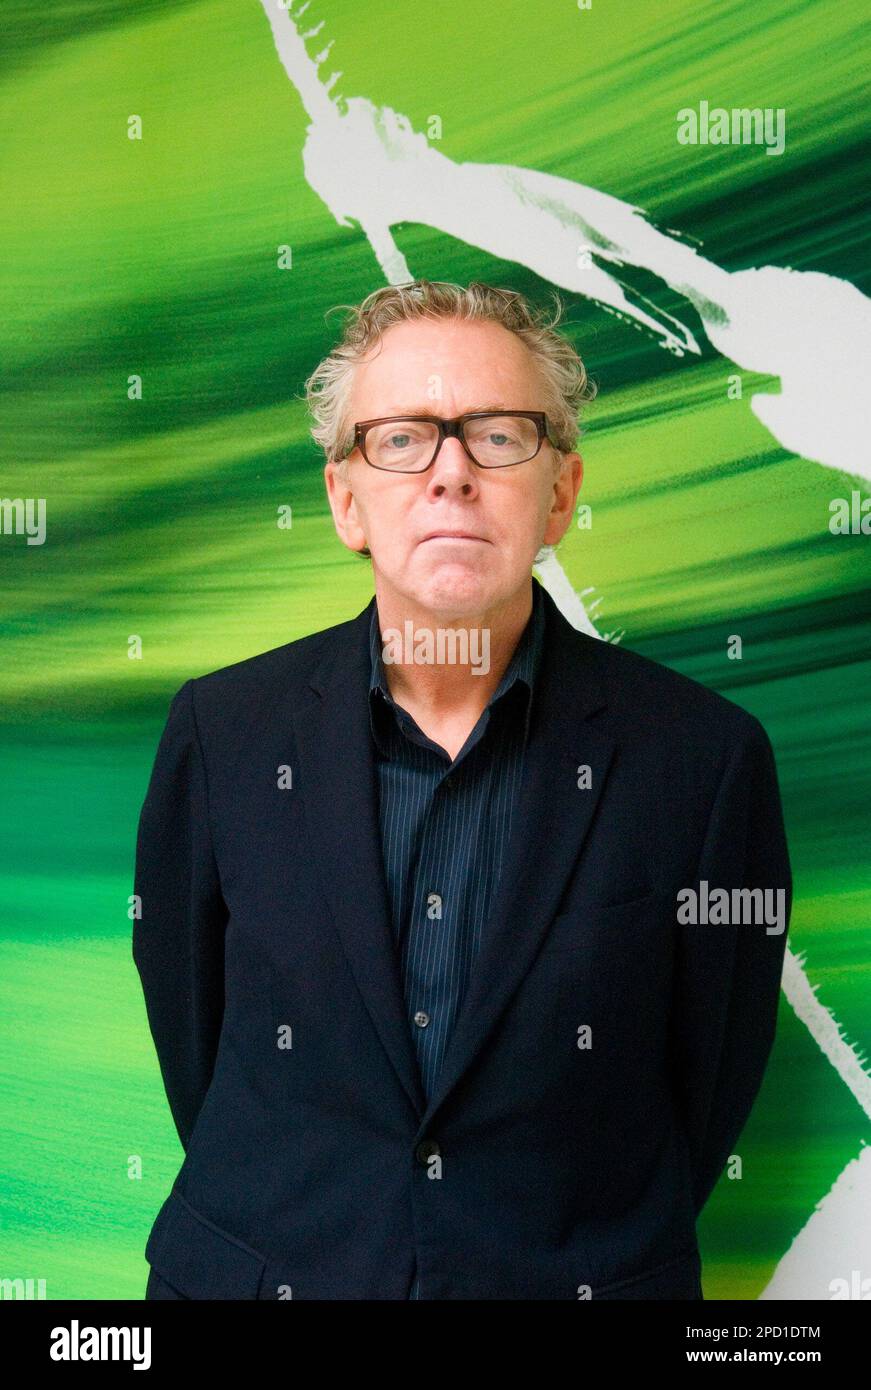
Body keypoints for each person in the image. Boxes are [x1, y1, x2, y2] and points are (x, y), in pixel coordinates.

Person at [133, 279, 791, 1300]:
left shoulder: (702, 760)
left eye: (496, 435)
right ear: (345, 499)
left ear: (561, 492)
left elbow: (702, 1084)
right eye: (401, 438)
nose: (450, 473)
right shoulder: (222, 733)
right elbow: (197, 1038)